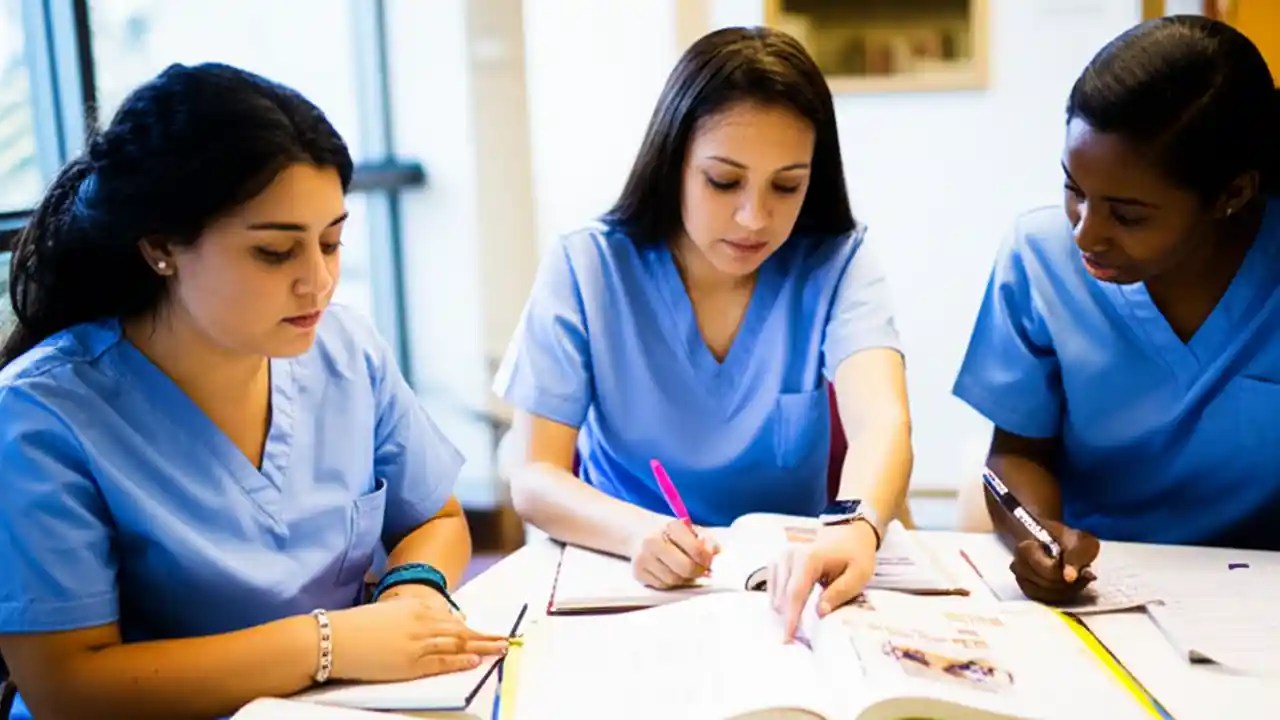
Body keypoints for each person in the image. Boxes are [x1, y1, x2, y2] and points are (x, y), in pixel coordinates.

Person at [0, 63, 505, 720]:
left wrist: (414, 587)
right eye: (275, 253)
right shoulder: (41, 416)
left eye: (332, 242)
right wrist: (330, 644)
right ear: (161, 247)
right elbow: (69, 687)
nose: (319, 283)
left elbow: (434, 518)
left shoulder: (345, 352)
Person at [494, 26, 912, 640]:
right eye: (723, 181)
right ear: (673, 165)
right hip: (626, 583)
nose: (754, 218)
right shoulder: (586, 267)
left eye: (787, 185)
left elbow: (883, 421)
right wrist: (636, 532)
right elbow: (534, 476)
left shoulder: (836, 261)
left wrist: (854, 524)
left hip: (792, 595)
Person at [953, 15, 1280, 603]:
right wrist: (1040, 537)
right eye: (1074, 190)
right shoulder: (1040, 259)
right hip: (1102, 596)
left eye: (1127, 215)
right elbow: (1017, 453)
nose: (1085, 233)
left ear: (1233, 194)